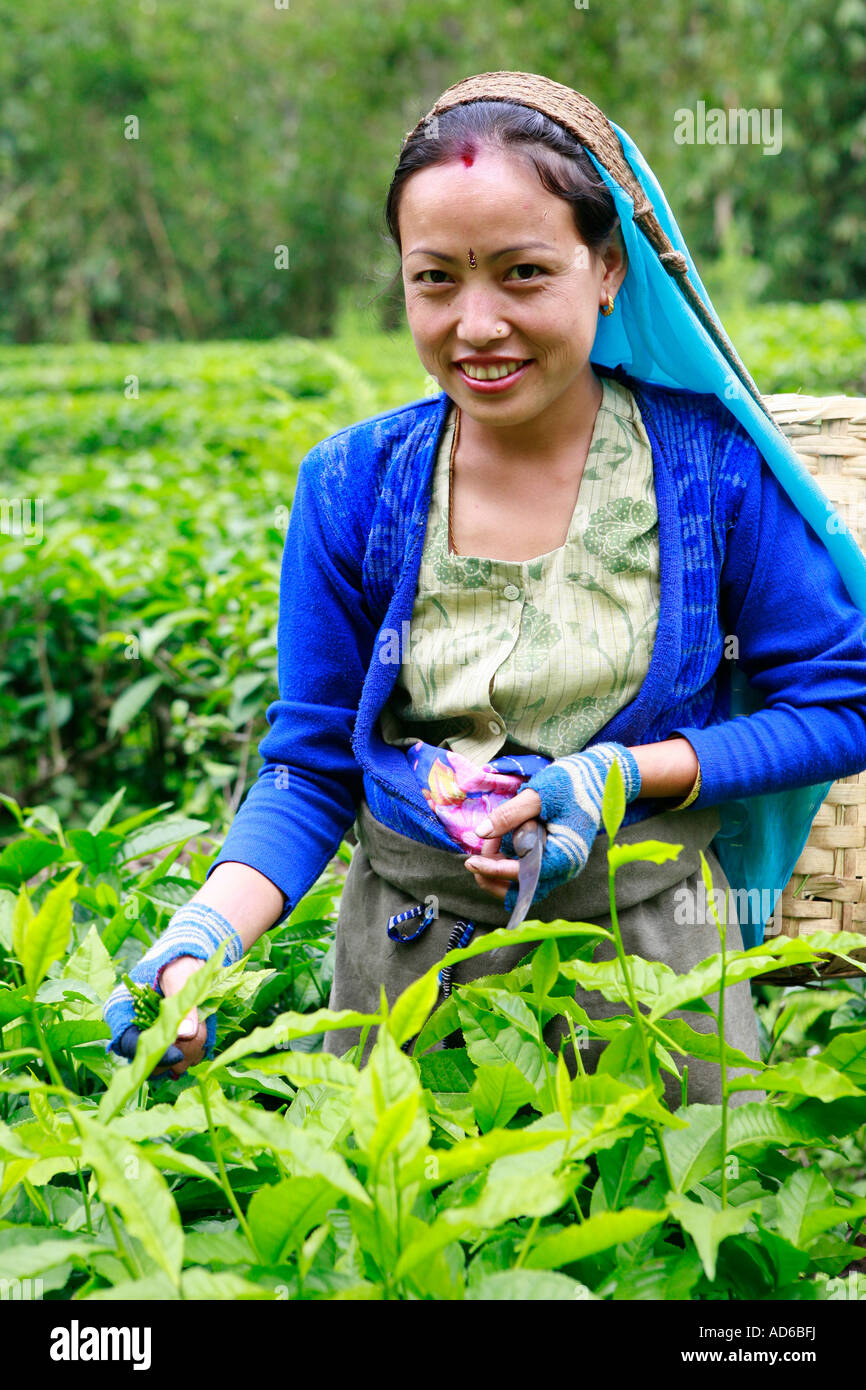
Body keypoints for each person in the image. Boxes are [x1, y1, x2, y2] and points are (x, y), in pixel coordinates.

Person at [103, 71, 866, 1109]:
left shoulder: (711, 472)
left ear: (606, 270)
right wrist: (200, 939)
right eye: (434, 281)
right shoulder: (351, 485)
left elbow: (837, 704)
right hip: (402, 988)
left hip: (652, 980)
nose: (475, 324)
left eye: (520, 273)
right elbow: (309, 763)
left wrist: (615, 776)